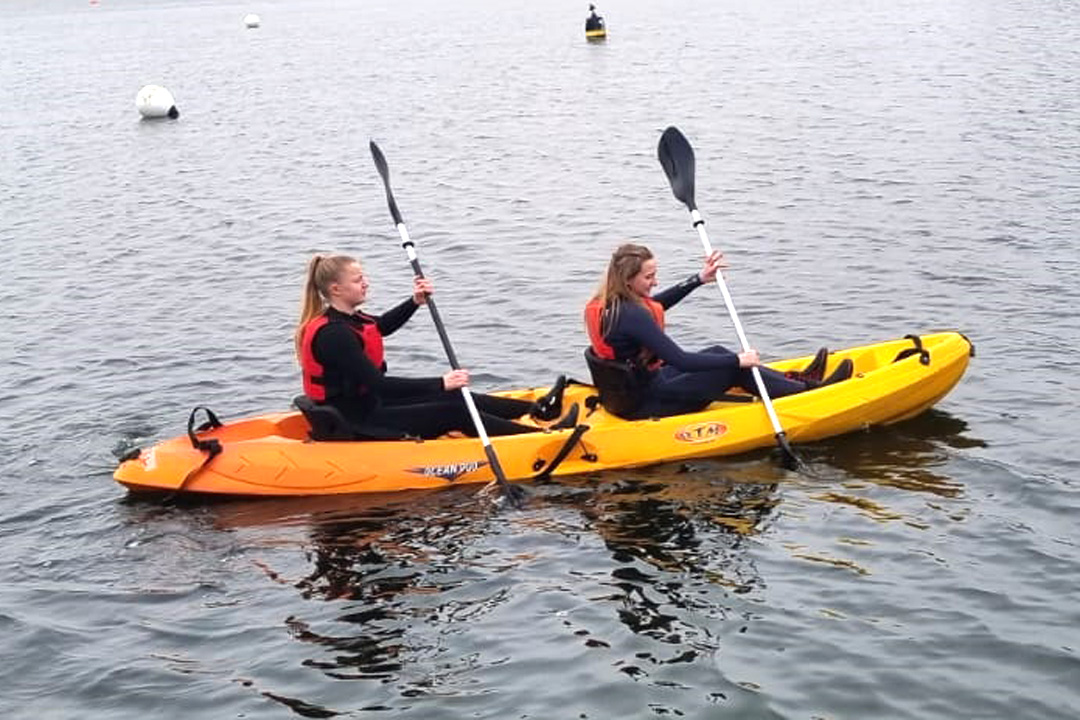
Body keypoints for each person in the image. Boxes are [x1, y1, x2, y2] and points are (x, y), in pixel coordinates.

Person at [296, 254, 573, 440]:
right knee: (454, 410)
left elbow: (380, 327)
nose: (366, 283)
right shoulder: (334, 335)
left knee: (458, 396)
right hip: (357, 418)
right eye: (358, 280)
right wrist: (440, 383)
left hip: (367, 404)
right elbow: (379, 384)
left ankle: (537, 410)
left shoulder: (348, 319)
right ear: (336, 289)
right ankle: (537, 438)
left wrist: (415, 301)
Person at [583, 243, 851, 419]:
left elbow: (657, 305)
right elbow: (681, 360)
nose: (655, 282)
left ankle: (800, 381)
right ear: (629, 280)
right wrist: (739, 360)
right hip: (648, 404)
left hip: (626, 396)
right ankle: (809, 394)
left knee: (717, 352)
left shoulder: (609, 304)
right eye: (649, 277)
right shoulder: (632, 314)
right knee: (732, 366)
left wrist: (699, 279)